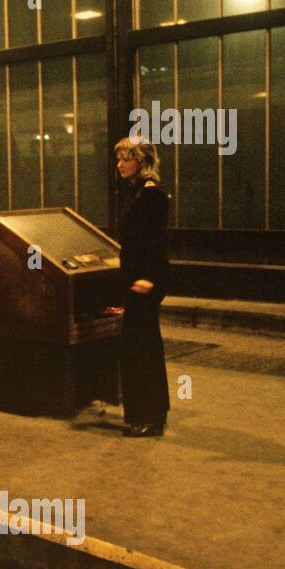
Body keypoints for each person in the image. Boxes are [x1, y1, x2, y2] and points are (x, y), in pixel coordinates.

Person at [114, 136, 171, 437]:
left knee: (141, 350)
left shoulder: (151, 196)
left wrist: (148, 277)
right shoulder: (136, 193)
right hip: (137, 282)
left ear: (143, 161)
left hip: (144, 284)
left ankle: (148, 417)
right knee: (141, 347)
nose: (120, 164)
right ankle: (152, 412)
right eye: (119, 158)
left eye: (126, 158)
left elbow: (155, 243)